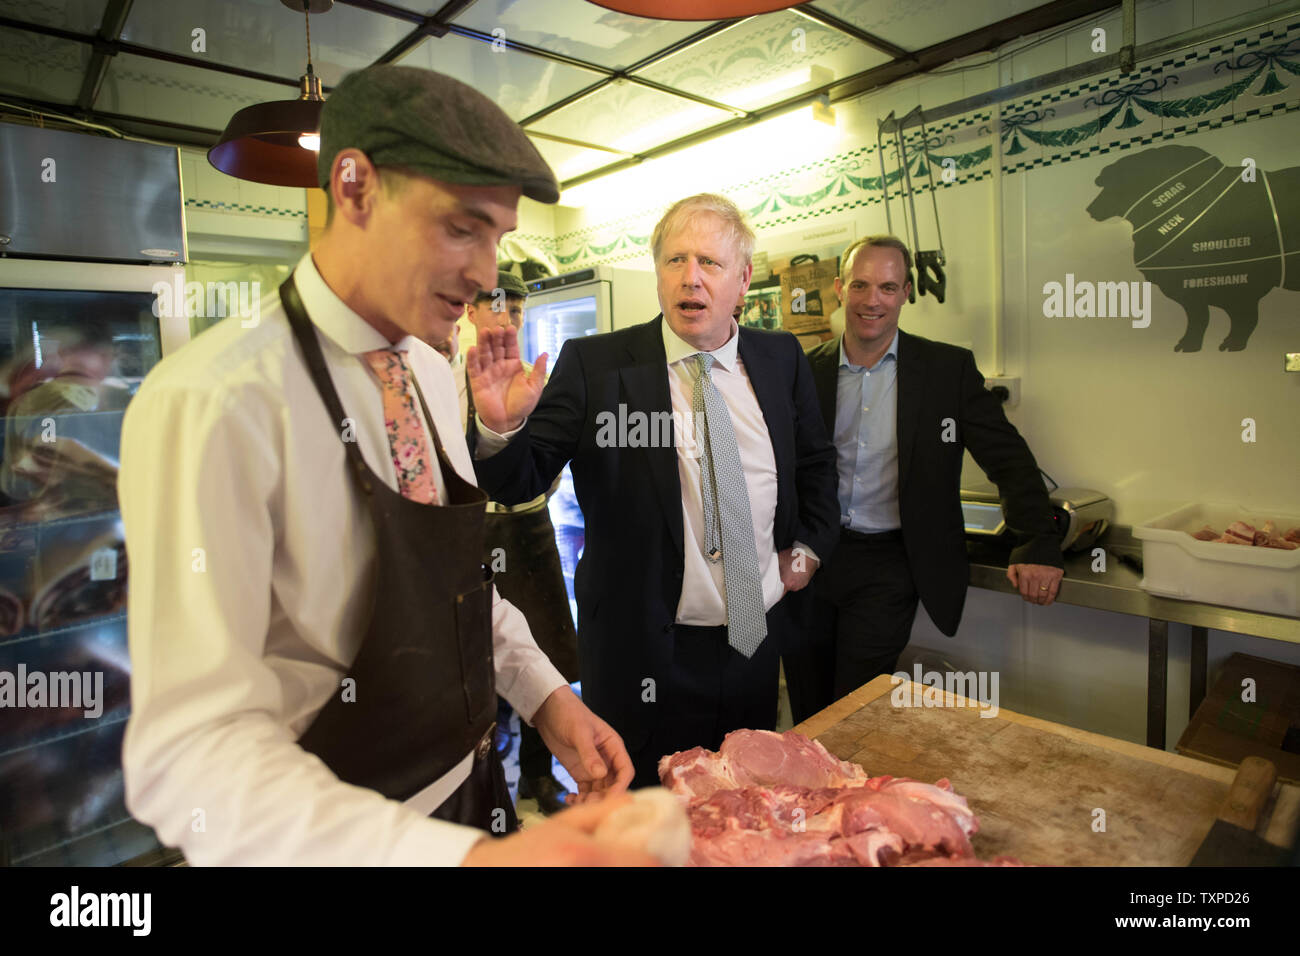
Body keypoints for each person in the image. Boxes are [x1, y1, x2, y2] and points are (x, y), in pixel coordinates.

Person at [117, 64, 649, 866]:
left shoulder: (432, 374)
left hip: (478, 798)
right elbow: (188, 757)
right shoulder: (215, 401)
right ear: (355, 186)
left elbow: (457, 585)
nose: (487, 274)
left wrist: (545, 699)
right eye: (462, 227)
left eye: (497, 237)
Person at [467, 193, 839, 787]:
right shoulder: (596, 365)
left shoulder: (780, 357)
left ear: (742, 281)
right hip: (643, 653)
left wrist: (809, 551)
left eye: (710, 264)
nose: (690, 278)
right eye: (675, 261)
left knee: (744, 809)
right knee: (641, 816)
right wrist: (501, 428)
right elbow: (519, 480)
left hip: (753, 641)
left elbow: (818, 464)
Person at [789, 235, 1064, 722]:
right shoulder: (804, 371)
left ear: (907, 293)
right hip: (811, 557)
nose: (872, 300)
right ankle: (810, 799)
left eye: (888, 287)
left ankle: (847, 794)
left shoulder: (945, 370)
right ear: (839, 289)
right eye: (860, 285)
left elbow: (1008, 458)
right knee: (807, 698)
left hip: (890, 563)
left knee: (851, 706)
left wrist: (1037, 543)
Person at [451, 269, 581, 815]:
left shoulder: (534, 379)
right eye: (498, 307)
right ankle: (487, 767)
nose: (508, 319)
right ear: (471, 312)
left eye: (518, 311)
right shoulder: (452, 378)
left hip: (531, 528)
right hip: (479, 531)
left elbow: (548, 466)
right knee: (480, 653)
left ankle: (537, 776)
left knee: (546, 648)